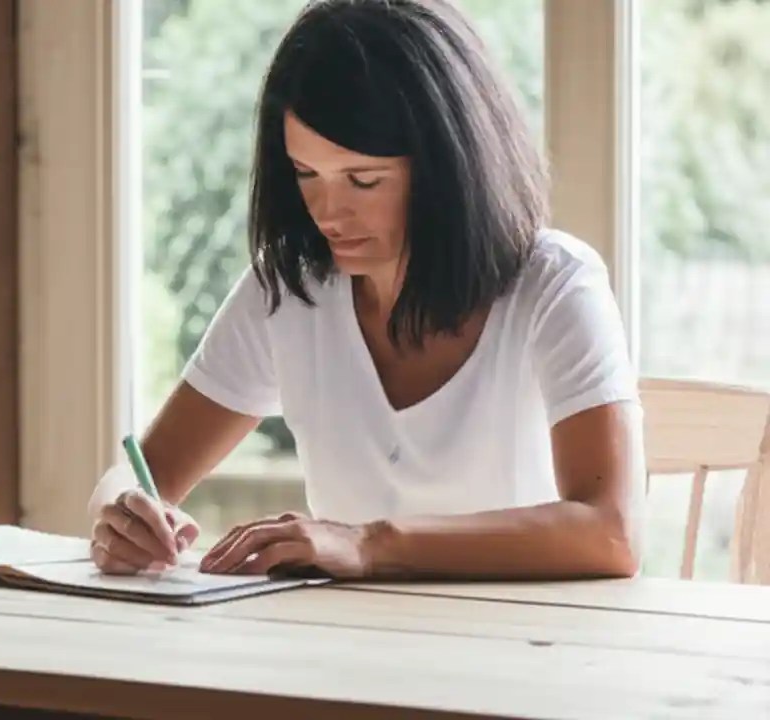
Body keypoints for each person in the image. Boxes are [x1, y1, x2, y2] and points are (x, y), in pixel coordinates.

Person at [87, 0, 645, 580]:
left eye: (363, 180)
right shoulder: (290, 289)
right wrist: (120, 514)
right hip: (344, 635)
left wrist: (370, 544)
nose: (328, 212)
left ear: (449, 167)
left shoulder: (556, 285)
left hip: (526, 632)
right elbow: (140, 472)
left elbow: (611, 533)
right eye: (307, 174)